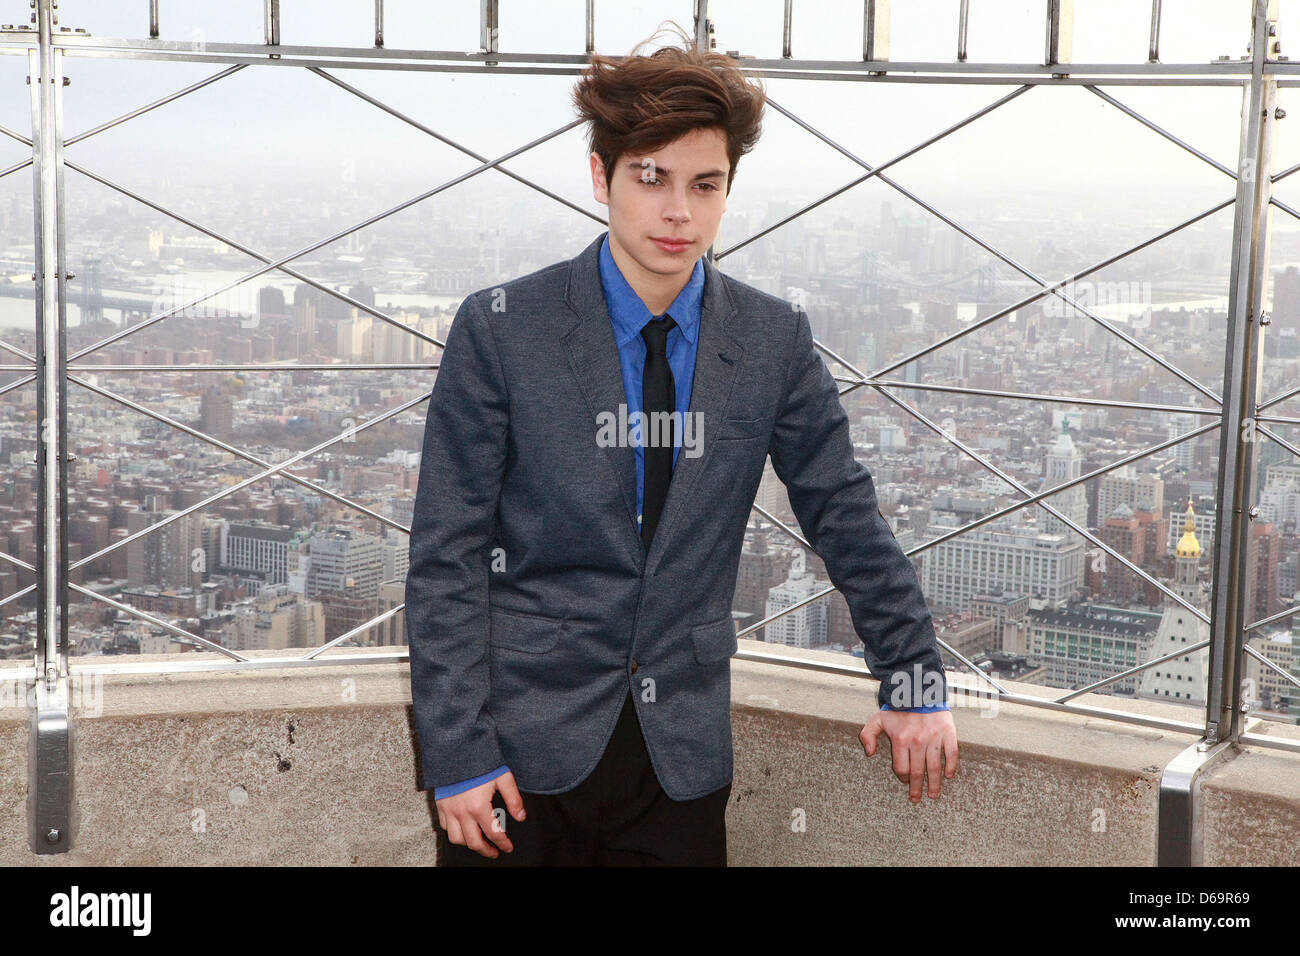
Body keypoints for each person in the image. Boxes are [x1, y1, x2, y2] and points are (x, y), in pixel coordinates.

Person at [406, 25, 959, 867]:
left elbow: (843, 513)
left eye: (707, 185)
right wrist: (455, 758)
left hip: (681, 762)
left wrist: (913, 679)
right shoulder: (501, 329)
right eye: (651, 178)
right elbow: (447, 553)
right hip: (516, 758)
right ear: (601, 176)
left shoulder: (773, 340)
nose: (678, 212)